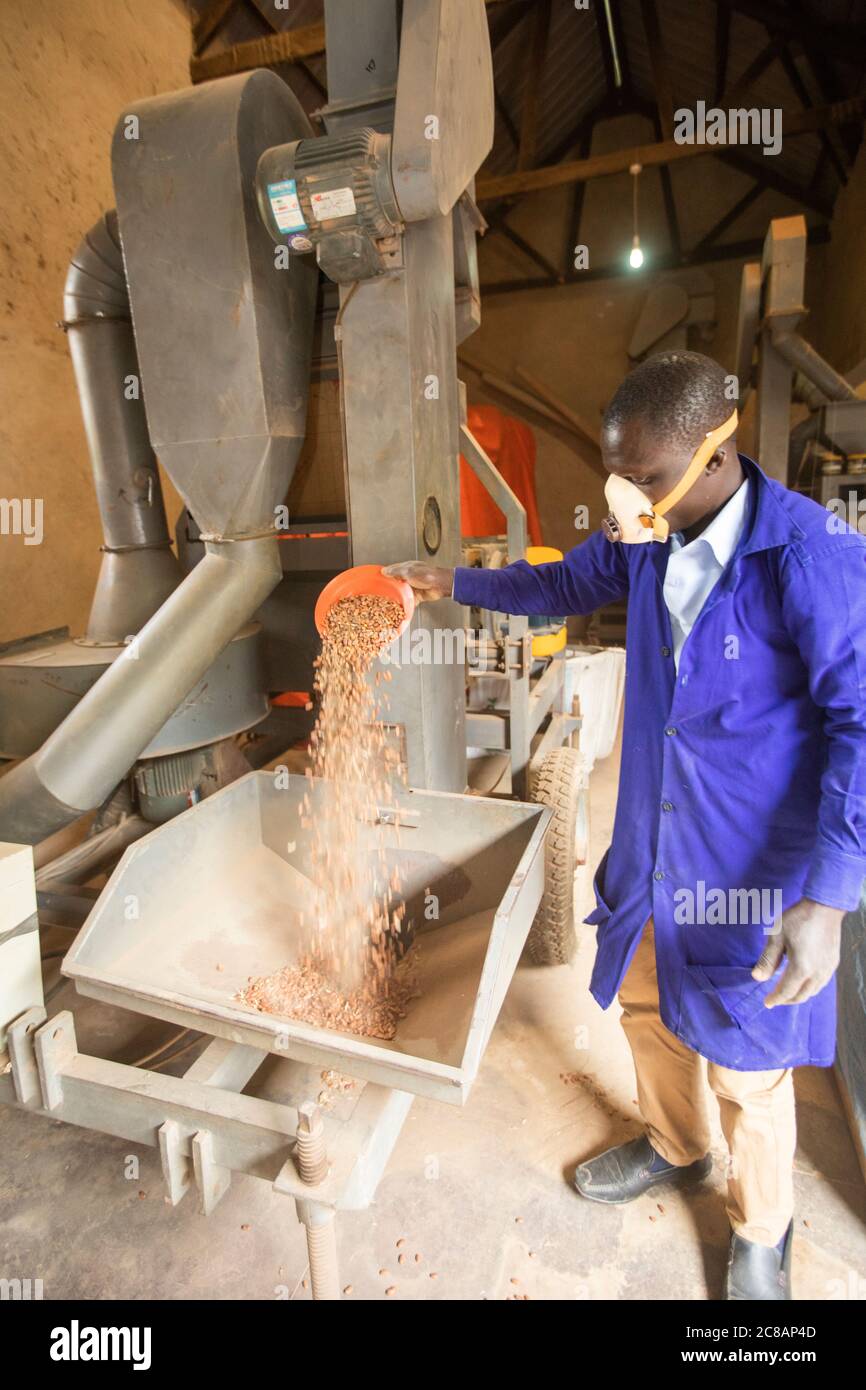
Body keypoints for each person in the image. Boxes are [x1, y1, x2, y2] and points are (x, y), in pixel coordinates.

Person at [385, 350, 866, 1301]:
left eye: (644, 476)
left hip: (749, 867)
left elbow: (859, 724)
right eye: (619, 473)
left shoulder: (811, 559)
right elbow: (561, 587)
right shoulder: (647, 538)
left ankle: (761, 1231)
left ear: (713, 457)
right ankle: (678, 1146)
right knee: (648, 1010)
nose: (625, 495)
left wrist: (830, 896)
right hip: (652, 845)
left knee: (747, 1062)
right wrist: (448, 583)